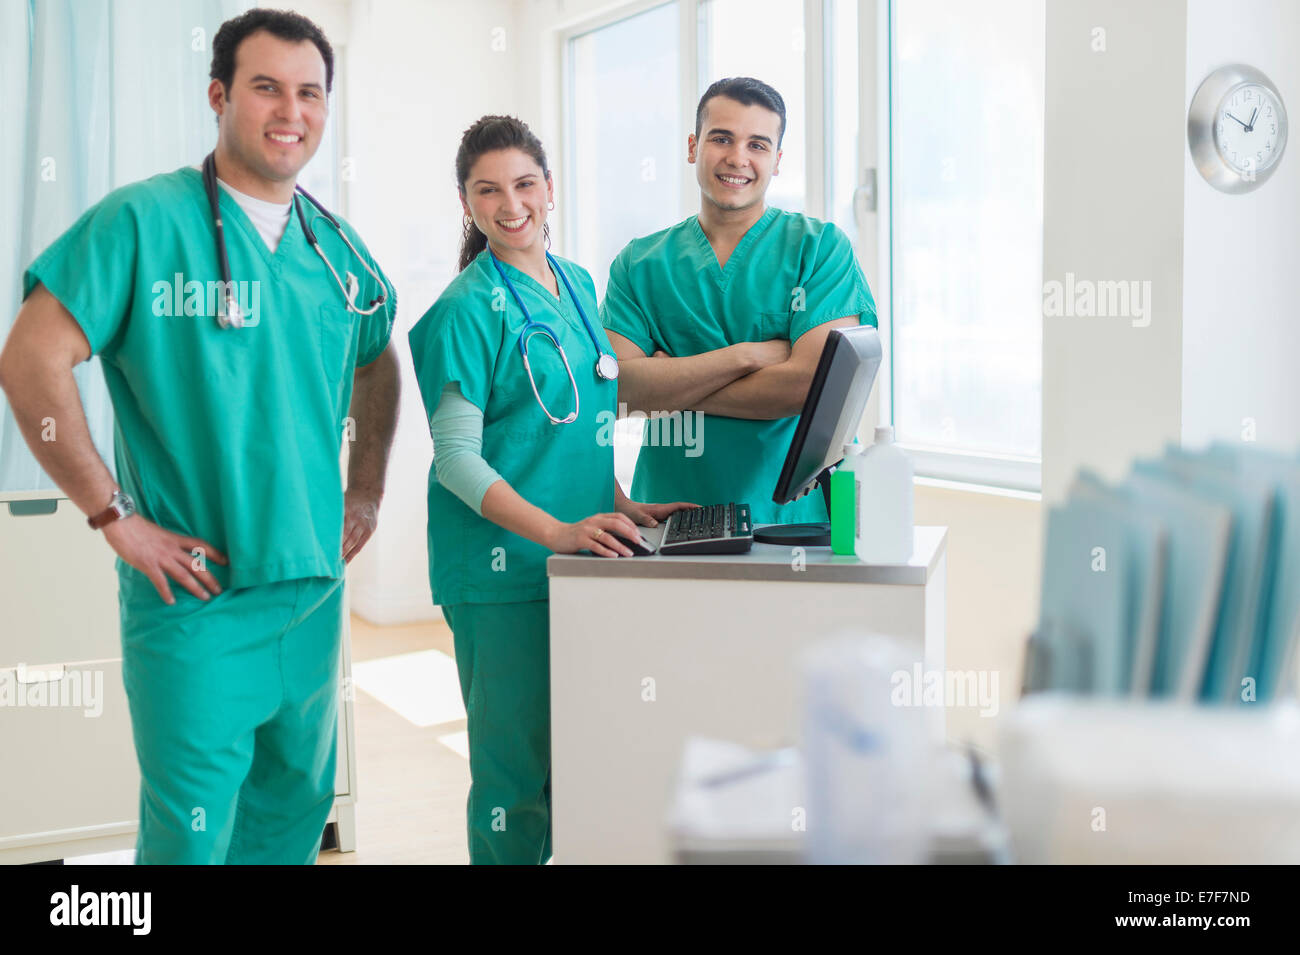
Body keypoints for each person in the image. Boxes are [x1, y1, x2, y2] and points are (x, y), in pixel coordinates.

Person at [0, 9, 399, 864]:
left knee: (291, 818)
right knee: (189, 837)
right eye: (265, 87)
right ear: (218, 96)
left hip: (313, 594)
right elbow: (32, 357)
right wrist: (113, 515)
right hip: (197, 600)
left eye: (310, 93)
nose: (290, 111)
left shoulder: (337, 249)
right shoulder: (142, 222)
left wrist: (364, 489)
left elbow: (378, 359)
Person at [408, 115, 690, 865]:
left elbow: (579, 422)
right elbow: (457, 460)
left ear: (550, 188)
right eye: (487, 190)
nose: (511, 204)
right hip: (504, 571)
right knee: (513, 780)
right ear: (465, 202)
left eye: (525, 184)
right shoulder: (465, 310)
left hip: (583, 556)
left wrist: (623, 501)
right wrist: (559, 532)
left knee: (577, 765)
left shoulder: (575, 282)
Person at [601, 76, 877, 526]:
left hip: (787, 519)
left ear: (777, 160)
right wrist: (746, 356)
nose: (738, 158)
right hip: (670, 515)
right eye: (722, 138)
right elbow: (622, 390)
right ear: (693, 146)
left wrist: (671, 383)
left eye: (758, 145)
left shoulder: (819, 248)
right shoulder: (640, 263)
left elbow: (810, 386)